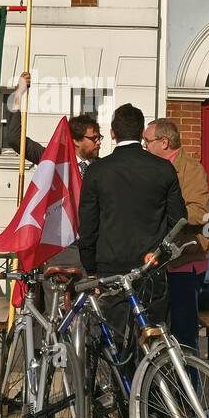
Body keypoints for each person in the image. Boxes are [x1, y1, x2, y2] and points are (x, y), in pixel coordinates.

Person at [77, 104, 187, 357]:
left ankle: (121, 394)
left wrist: (90, 266)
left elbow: (88, 225)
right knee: (153, 342)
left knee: (116, 343)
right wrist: (160, 255)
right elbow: (179, 219)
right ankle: (150, 393)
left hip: (110, 267)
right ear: (140, 133)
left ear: (113, 133)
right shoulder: (163, 169)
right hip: (150, 268)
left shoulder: (97, 171)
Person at [142, 118, 209, 355]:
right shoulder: (150, 167)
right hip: (156, 262)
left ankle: (188, 387)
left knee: (183, 334)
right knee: (155, 331)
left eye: (147, 141)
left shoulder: (191, 169)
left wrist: (160, 212)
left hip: (182, 262)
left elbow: (200, 213)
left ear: (164, 142)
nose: (144, 146)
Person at [3, 72, 102, 175]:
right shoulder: (53, 161)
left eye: (99, 138)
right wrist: (18, 94)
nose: (99, 142)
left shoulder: (104, 168)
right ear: (76, 141)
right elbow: (15, 139)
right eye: (94, 138)